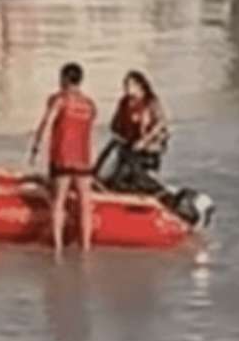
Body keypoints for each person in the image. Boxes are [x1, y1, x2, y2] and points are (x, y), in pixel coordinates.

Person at [30, 62, 97, 254]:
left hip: (63, 157)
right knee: (85, 204)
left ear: (65, 79)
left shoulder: (60, 100)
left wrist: (36, 146)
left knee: (58, 201)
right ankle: (86, 246)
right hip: (83, 159)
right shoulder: (89, 105)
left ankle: (57, 246)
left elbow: (47, 122)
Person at [95, 70, 169, 193]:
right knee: (111, 152)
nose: (126, 88)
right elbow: (115, 125)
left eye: (129, 85)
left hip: (147, 148)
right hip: (128, 144)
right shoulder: (124, 102)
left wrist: (144, 141)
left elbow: (160, 125)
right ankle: (96, 176)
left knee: (128, 169)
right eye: (125, 85)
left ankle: (151, 188)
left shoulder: (150, 102)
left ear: (139, 85)